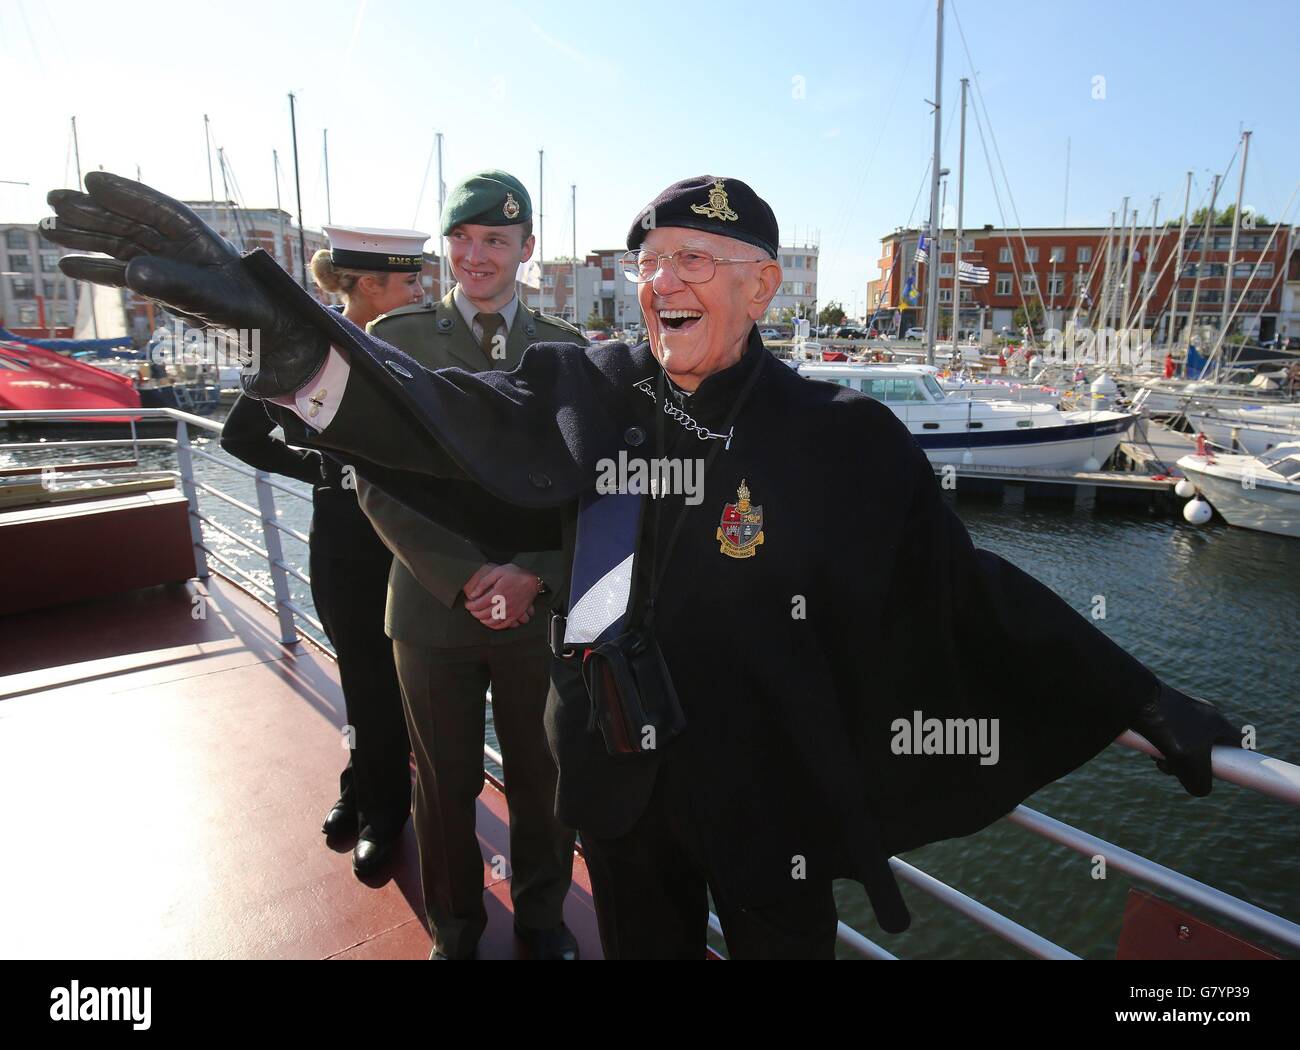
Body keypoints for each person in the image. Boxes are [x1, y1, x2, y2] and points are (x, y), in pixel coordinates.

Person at [43, 172, 1240, 960]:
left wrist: (1129, 690)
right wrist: (283, 331)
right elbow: (433, 413)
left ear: (764, 287)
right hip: (615, 778)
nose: (664, 280)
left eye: (700, 260)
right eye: (652, 259)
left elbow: (963, 590)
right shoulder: (589, 392)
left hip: (768, 794)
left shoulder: (839, 438)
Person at [350, 172, 584, 961]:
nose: (474, 255)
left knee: (542, 781)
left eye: (494, 240)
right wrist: (463, 575)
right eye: (461, 238)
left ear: (527, 248)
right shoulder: (396, 340)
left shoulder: (568, 350)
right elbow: (372, 477)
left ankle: (543, 921)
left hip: (537, 610)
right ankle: (456, 931)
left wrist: (533, 574)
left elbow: (585, 490)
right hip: (429, 607)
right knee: (442, 785)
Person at [219, 224, 424, 878]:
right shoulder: (306, 347)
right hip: (345, 544)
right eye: (410, 279)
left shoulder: (419, 344)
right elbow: (240, 436)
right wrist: (327, 473)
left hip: (417, 545)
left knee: (404, 683)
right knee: (365, 677)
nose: (422, 289)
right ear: (369, 284)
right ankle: (379, 807)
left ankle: (367, 788)